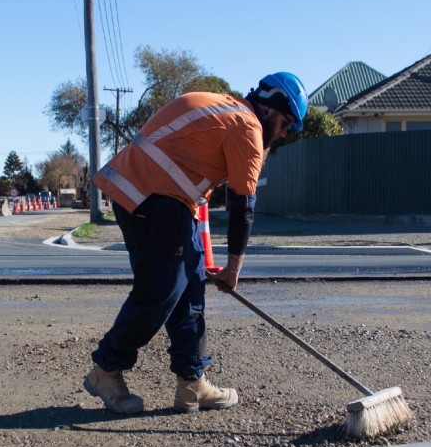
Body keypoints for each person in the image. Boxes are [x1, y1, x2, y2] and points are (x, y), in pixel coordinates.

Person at [83, 72, 308, 415]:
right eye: (286, 123)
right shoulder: (247, 127)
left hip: (166, 201)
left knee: (189, 288)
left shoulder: (222, 105)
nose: (283, 133)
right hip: (152, 199)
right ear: (270, 107)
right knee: (161, 292)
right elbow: (242, 208)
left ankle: (192, 382)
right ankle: (106, 369)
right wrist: (234, 269)